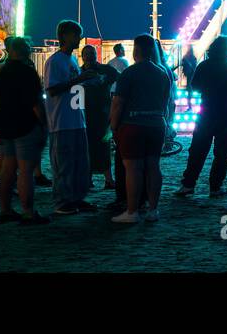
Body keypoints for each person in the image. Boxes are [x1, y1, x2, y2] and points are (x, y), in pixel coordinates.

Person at [110, 35, 171, 224]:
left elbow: (118, 103)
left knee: (133, 169)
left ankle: (132, 211)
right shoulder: (162, 73)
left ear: (136, 50)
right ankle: (153, 210)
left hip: (133, 124)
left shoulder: (130, 73)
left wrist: (113, 126)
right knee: (153, 166)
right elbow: (166, 103)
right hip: (157, 123)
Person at [177, 36, 227, 197]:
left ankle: (188, 184)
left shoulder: (203, 66)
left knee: (197, 151)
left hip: (206, 112)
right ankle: (215, 186)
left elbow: (195, 87)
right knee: (223, 153)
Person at [44, 20, 99, 215]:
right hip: (61, 121)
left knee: (79, 163)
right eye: (77, 35)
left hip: (76, 119)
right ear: (65, 36)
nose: (79, 39)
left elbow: (72, 88)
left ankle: (77, 197)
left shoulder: (72, 60)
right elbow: (52, 89)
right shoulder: (55, 61)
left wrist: (85, 84)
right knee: (64, 163)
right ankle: (62, 201)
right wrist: (79, 80)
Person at [0, 36, 49, 225]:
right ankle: (28, 211)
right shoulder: (27, 72)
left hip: (5, 122)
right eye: (27, 46)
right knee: (26, 170)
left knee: (7, 169)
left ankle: (5, 209)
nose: (30, 48)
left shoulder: (2, 70)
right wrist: (44, 124)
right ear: (21, 50)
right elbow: (35, 102)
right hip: (25, 124)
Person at [79, 43, 117, 190]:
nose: (89, 56)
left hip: (102, 115)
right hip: (84, 116)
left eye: (92, 53)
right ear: (82, 56)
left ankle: (108, 179)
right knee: (86, 148)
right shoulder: (78, 72)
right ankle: (87, 180)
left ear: (96, 55)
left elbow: (120, 78)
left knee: (104, 148)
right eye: (86, 53)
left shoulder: (106, 70)